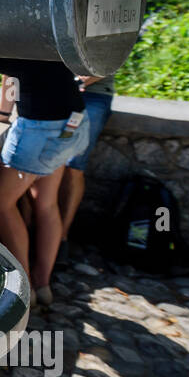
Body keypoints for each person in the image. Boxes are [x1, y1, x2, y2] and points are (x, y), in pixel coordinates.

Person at [0, 58, 90, 308]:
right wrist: (4, 112)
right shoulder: (25, 19)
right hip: (73, 119)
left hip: (42, 128)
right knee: (46, 204)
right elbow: (13, 72)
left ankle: (25, 291)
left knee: (0, 202)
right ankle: (43, 284)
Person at [57, 73, 115, 265]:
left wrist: (74, 82)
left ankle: (61, 238)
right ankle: (43, 233)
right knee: (45, 166)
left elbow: (108, 62)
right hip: (55, 90)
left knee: (74, 165)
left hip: (93, 94)